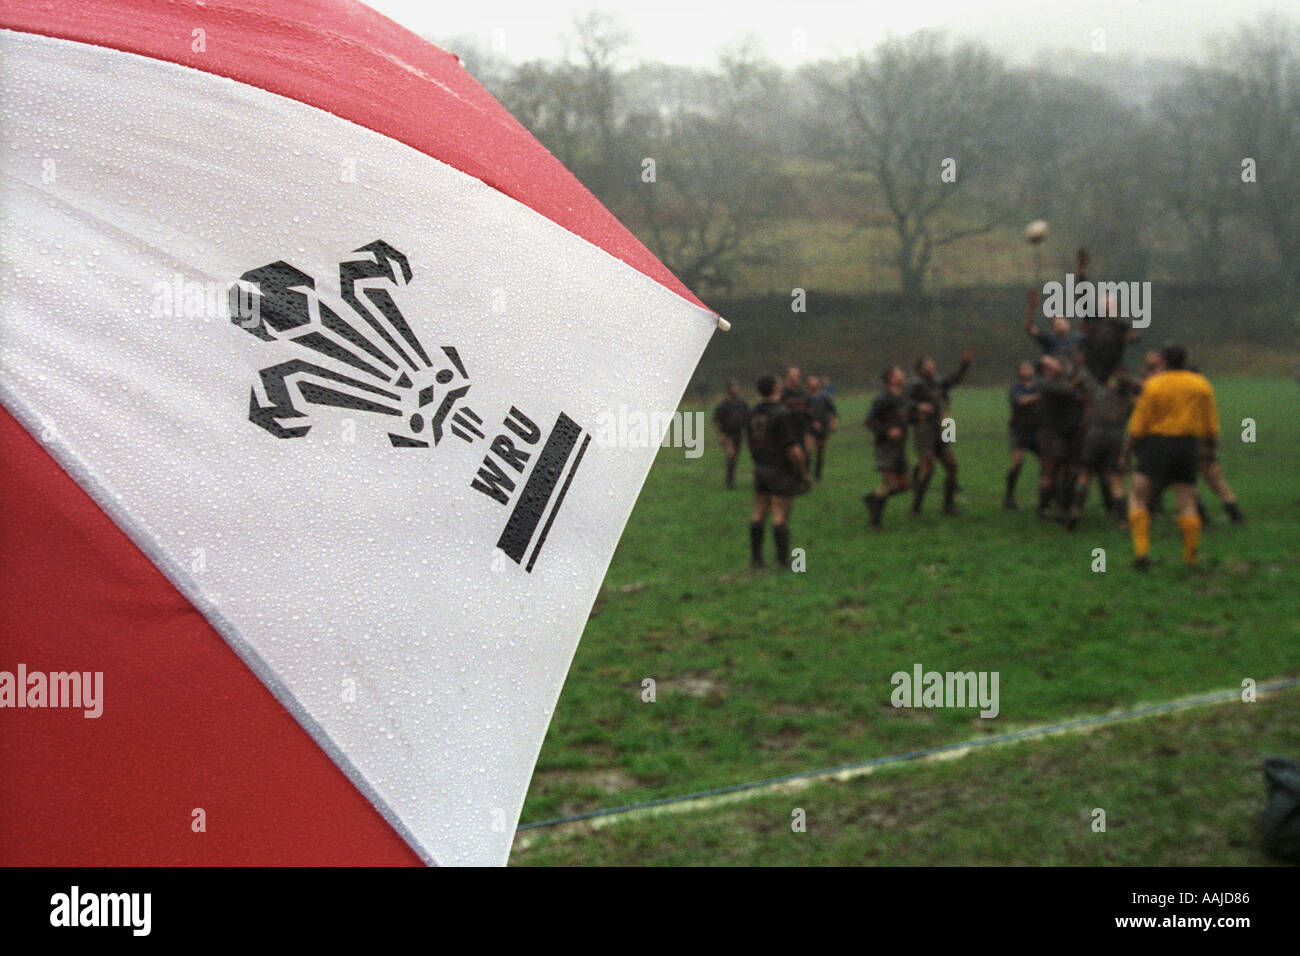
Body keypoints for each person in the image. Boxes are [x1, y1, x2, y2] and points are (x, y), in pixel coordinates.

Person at [1120, 345, 1220, 569]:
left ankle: (1142, 553)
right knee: (1186, 502)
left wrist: (1126, 453)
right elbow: (1211, 426)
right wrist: (1211, 452)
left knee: (1137, 496)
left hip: (1158, 444)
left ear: (1163, 360)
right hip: (1188, 446)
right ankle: (1191, 558)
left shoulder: (1154, 384)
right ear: (1186, 359)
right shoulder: (1201, 384)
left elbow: (1138, 426)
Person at [747, 374, 810, 568]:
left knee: (758, 512)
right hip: (780, 469)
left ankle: (756, 559)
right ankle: (783, 561)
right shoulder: (781, 413)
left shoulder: (753, 413)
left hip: (760, 467)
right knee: (780, 515)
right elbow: (792, 449)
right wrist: (803, 472)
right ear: (775, 387)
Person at [907, 347, 974, 515]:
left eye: (933, 364)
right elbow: (902, 401)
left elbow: (953, 379)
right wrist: (918, 406)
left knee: (951, 465)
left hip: (942, 426)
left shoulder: (938, 381)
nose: (932, 367)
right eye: (928, 365)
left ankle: (948, 505)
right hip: (924, 429)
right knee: (928, 467)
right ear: (921, 369)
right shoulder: (914, 384)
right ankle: (916, 507)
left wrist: (964, 364)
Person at [1066, 367, 1136, 530]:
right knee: (1115, 480)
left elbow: (1083, 379)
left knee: (1085, 474)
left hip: (1095, 433)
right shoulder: (1128, 399)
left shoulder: (1100, 391)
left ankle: (1076, 509)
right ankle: (1123, 522)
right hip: (1117, 434)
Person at [1034, 354, 1086, 521]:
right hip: (1051, 433)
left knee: (1068, 471)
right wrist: (1078, 378)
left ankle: (1062, 508)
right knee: (1050, 471)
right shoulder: (1045, 382)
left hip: (1069, 432)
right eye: (1053, 362)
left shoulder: (1063, 379)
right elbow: (1066, 391)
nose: (1058, 363)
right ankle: (1043, 508)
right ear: (1046, 369)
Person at [863, 367, 912, 529]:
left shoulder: (903, 396)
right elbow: (869, 422)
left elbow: (906, 416)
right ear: (891, 379)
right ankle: (874, 522)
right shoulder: (882, 399)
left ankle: (873, 498)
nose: (903, 376)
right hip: (885, 446)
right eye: (899, 374)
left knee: (904, 485)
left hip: (900, 446)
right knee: (889, 484)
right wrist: (888, 431)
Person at [1005, 361, 1041, 510]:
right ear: (1019, 373)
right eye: (1024, 368)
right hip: (1019, 430)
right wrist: (1041, 395)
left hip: (1037, 430)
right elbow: (1021, 401)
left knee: (1048, 464)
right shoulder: (1015, 389)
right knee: (1017, 463)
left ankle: (1047, 497)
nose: (1028, 370)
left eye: (1029, 367)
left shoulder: (1039, 386)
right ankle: (1009, 497)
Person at [1025, 289, 1083, 360]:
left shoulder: (1078, 337)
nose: (1059, 323)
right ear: (1053, 328)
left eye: (1061, 319)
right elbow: (1030, 328)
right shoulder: (1049, 340)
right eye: (1056, 322)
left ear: (1068, 323)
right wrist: (1031, 307)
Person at [712, 381, 749, 490]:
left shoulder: (742, 404)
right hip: (728, 435)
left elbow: (747, 418)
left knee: (735, 456)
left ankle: (731, 479)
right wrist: (721, 434)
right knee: (731, 455)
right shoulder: (723, 405)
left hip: (738, 434)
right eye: (734, 388)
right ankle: (730, 481)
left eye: (737, 387)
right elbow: (717, 420)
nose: (736, 389)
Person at [806, 375, 838, 481]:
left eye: (815, 383)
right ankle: (805, 475)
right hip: (809, 428)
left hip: (823, 426)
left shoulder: (824, 397)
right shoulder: (805, 398)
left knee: (820, 452)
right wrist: (811, 422)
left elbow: (833, 411)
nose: (813, 385)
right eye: (811, 383)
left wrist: (833, 423)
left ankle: (818, 477)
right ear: (808, 385)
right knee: (808, 450)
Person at [781, 366, 813, 460]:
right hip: (787, 433)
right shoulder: (782, 394)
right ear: (787, 377)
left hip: (802, 432)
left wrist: (809, 436)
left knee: (805, 459)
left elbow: (809, 415)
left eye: (798, 375)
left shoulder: (804, 394)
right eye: (793, 375)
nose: (796, 378)